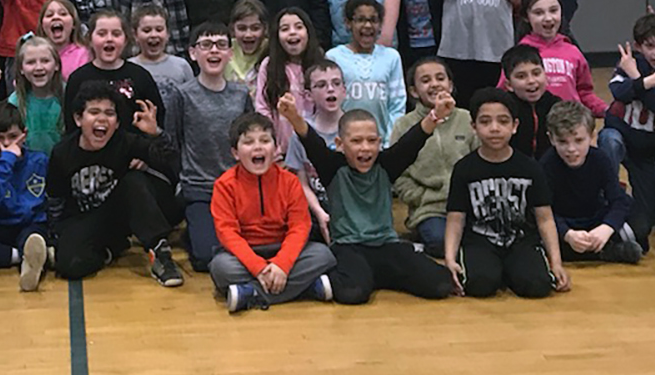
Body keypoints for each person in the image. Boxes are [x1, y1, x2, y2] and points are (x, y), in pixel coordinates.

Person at [280, 90, 459, 305]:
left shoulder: (386, 165)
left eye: (371, 140)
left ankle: (377, 276)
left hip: (386, 245)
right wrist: (294, 117)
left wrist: (435, 115)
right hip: (349, 246)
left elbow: (411, 142)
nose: (365, 147)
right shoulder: (333, 167)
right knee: (353, 293)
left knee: (440, 284)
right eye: (356, 141)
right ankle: (339, 279)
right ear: (340, 144)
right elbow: (312, 143)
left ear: (379, 142)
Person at [44, 83, 183, 285]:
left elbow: (172, 164)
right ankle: (111, 250)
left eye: (109, 113)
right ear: (78, 119)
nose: (102, 119)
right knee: (69, 266)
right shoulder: (62, 152)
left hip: (119, 215)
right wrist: (56, 237)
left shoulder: (125, 141)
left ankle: (161, 254)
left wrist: (156, 134)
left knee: (134, 180)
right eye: (94, 112)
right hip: (83, 219)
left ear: (117, 123)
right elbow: (55, 200)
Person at [444, 88, 570, 300]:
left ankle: (512, 271)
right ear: (473, 127)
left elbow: (545, 218)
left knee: (537, 286)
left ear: (515, 126)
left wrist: (556, 263)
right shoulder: (464, 168)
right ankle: (495, 270)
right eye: (485, 122)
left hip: (520, 240)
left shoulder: (530, 167)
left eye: (503, 121)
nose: (494, 128)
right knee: (480, 285)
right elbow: (456, 218)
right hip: (480, 241)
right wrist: (449, 258)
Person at [207, 112, 337, 313]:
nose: (258, 147)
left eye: (265, 141)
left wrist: (282, 265)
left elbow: (300, 226)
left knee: (324, 255)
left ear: (276, 149)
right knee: (221, 268)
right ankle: (305, 288)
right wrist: (258, 268)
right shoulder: (224, 185)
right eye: (248, 142)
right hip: (247, 253)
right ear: (235, 153)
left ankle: (251, 293)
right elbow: (227, 233)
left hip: (283, 248)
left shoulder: (290, 182)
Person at [162, 23, 255, 270]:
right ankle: (193, 233)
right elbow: (173, 141)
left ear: (230, 53)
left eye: (221, 45)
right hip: (200, 188)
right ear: (193, 53)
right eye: (206, 45)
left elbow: (250, 139)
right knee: (206, 258)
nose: (214, 50)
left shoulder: (241, 94)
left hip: (237, 188)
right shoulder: (182, 94)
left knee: (256, 243)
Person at [600, 13, 655, 236]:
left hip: (645, 148)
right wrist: (649, 81)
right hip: (619, 132)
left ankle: (633, 208)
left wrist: (637, 78)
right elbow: (619, 92)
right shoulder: (628, 62)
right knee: (609, 140)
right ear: (638, 46)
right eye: (650, 46)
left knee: (649, 217)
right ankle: (606, 192)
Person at [390, 58, 477, 257]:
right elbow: (398, 174)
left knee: (480, 238)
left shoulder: (467, 118)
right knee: (441, 242)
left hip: (469, 206)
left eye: (440, 78)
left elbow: (482, 158)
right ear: (414, 91)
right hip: (430, 208)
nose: (435, 84)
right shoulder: (403, 125)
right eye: (426, 80)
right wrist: (421, 197)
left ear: (450, 85)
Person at [540, 101, 642, 263]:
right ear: (551, 139)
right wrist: (567, 234)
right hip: (564, 223)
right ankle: (604, 252)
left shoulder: (600, 159)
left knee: (640, 224)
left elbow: (619, 199)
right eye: (563, 142)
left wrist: (606, 228)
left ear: (592, 136)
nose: (571, 149)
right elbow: (544, 211)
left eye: (579, 140)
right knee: (541, 235)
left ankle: (596, 248)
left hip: (595, 219)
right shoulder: (546, 165)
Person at [0, 102, 52, 291]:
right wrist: (6, 161)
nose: (7, 144)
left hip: (29, 224)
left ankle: (34, 257)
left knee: (35, 237)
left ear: (25, 134)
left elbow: (52, 200)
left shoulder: (39, 161)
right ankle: (23, 257)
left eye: (13, 137)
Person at [60, 10, 164, 128]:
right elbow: (70, 124)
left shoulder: (140, 76)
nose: (109, 39)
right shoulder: (77, 79)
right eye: (102, 34)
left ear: (125, 40)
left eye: (116, 34)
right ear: (90, 40)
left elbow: (158, 119)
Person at [325, 0, 406, 142]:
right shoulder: (334, 57)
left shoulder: (391, 57)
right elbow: (329, 104)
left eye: (373, 20)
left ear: (380, 24)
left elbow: (397, 105)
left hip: (381, 143)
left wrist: (389, 142)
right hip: (344, 143)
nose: (367, 26)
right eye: (361, 20)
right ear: (348, 23)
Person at [516, 0, 604, 116]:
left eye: (553, 10)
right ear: (526, 17)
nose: (548, 18)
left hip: (570, 123)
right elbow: (505, 92)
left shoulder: (573, 52)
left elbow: (585, 93)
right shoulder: (519, 54)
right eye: (538, 13)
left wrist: (606, 110)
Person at [251, 6, 327, 121]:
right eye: (285, 29)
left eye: (299, 27)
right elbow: (262, 107)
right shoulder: (268, 65)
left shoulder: (321, 64)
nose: (292, 32)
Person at [499, 45, 558, 158]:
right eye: (521, 76)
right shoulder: (504, 109)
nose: (531, 81)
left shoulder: (556, 105)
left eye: (536, 73)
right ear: (509, 85)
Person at [11, 35, 67, 152]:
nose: (38, 67)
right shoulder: (15, 102)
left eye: (45, 61)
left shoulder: (68, 95)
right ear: (21, 69)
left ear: (57, 65)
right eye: (31, 62)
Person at [128, 4, 193, 94]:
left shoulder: (182, 66)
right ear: (135, 35)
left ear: (168, 33)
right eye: (147, 30)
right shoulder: (129, 68)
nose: (153, 35)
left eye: (159, 29)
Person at [37, 0, 92, 79]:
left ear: (74, 23)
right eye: (49, 15)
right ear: (42, 25)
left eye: (63, 14)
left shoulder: (84, 54)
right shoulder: (34, 54)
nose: (55, 17)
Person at [225, 0, 269, 86]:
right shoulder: (225, 50)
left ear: (265, 29)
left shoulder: (271, 50)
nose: (248, 35)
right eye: (242, 28)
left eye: (255, 28)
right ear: (233, 29)